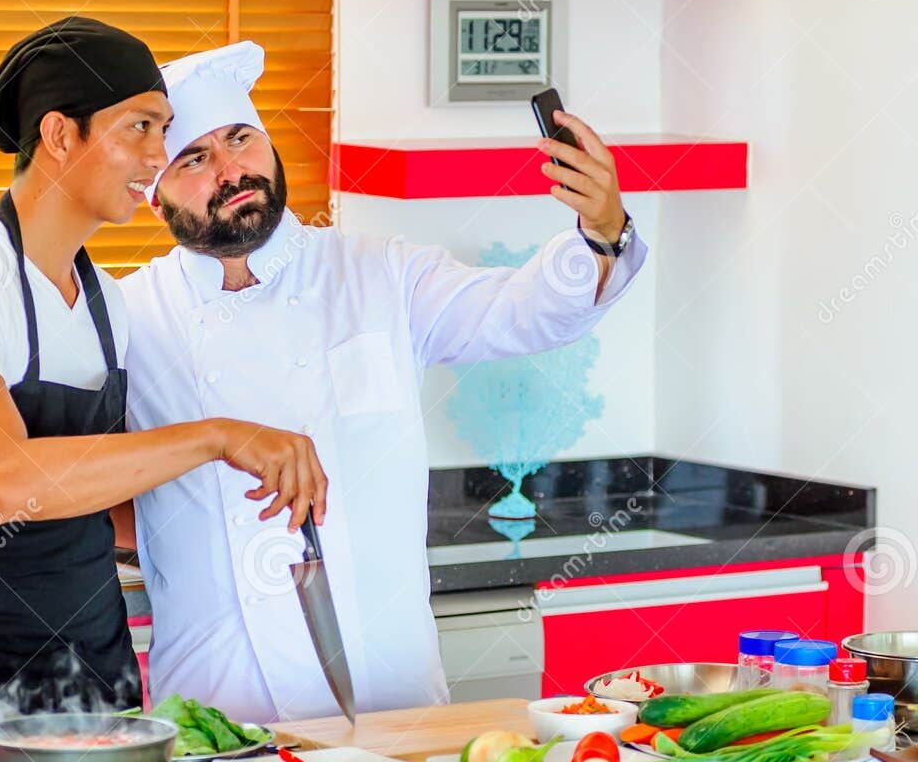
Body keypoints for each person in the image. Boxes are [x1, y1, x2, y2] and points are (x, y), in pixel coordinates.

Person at [119, 41, 645, 724]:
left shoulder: (379, 274)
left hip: (391, 703)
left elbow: (523, 311)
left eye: (242, 139)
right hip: (220, 713)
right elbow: (74, 480)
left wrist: (602, 231)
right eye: (195, 158)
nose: (231, 170)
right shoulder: (127, 320)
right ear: (154, 195)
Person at [0, 19, 325, 762]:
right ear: (58, 134)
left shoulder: (105, 301)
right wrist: (216, 435)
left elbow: (103, 497)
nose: (158, 156)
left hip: (95, 680)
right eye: (140, 127)